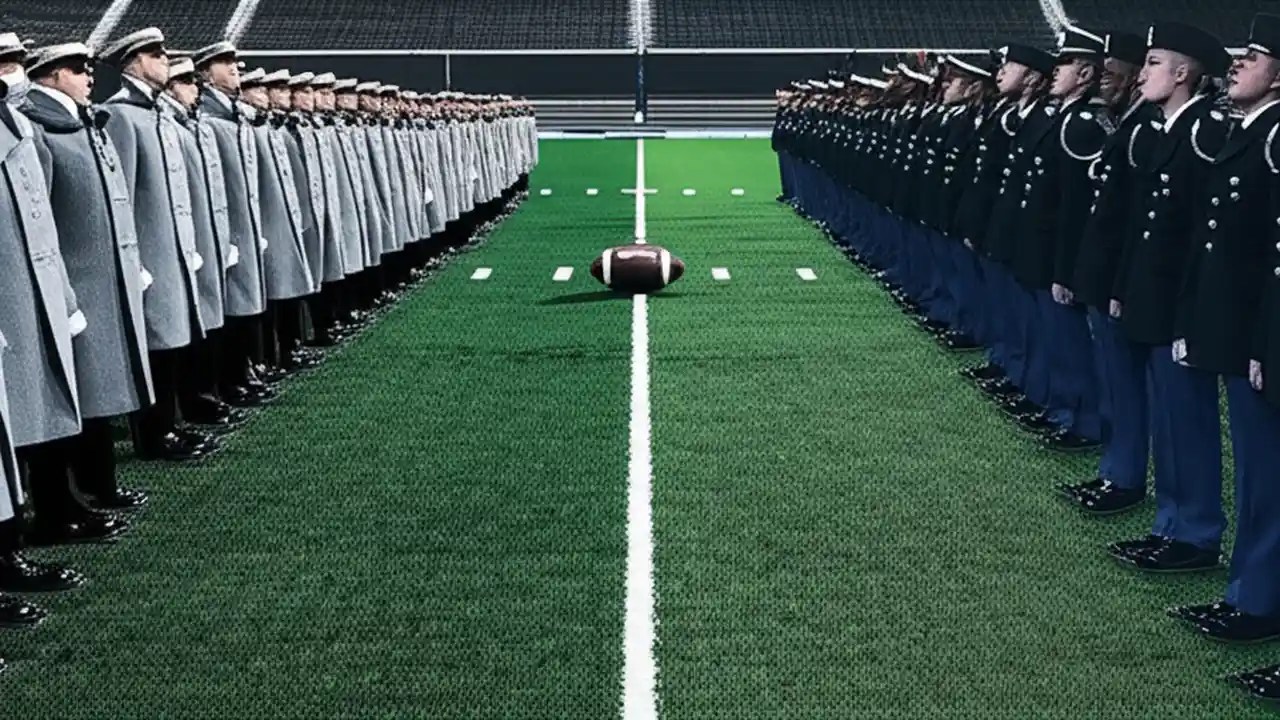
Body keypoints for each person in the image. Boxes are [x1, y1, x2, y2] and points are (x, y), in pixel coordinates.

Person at [1162, 12, 1280, 644]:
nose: (1239, 62)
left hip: (1256, 332)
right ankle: (1248, 594)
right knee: (1258, 476)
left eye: (1255, 55)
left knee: (1266, 476)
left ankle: (1258, 601)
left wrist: (1265, 340)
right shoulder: (1253, 133)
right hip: (1237, 327)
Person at [19, 40, 136, 545]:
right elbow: (40, 220)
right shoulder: (41, 132)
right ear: (48, 76)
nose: (88, 76)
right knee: (61, 401)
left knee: (88, 397)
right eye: (75, 69)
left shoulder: (79, 124)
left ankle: (85, 493)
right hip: (58, 286)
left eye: (88, 68)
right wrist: (63, 295)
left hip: (87, 282)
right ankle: (60, 505)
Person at [98, 27, 218, 461]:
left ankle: (171, 425)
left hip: (174, 250)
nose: (165, 59)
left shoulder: (157, 114)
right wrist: (137, 262)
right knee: (154, 347)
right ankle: (154, 435)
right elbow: (121, 195)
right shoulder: (123, 116)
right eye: (154, 53)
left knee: (171, 344)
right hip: (150, 254)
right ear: (132, 63)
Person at [1059, 31, 1158, 514]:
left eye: (1112, 70)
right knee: (1116, 379)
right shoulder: (1127, 122)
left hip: (1122, 276)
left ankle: (1125, 475)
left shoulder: (1144, 128)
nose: (1105, 80)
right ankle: (1117, 470)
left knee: (1126, 383)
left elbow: (1137, 218)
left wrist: (1117, 282)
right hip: (1107, 271)